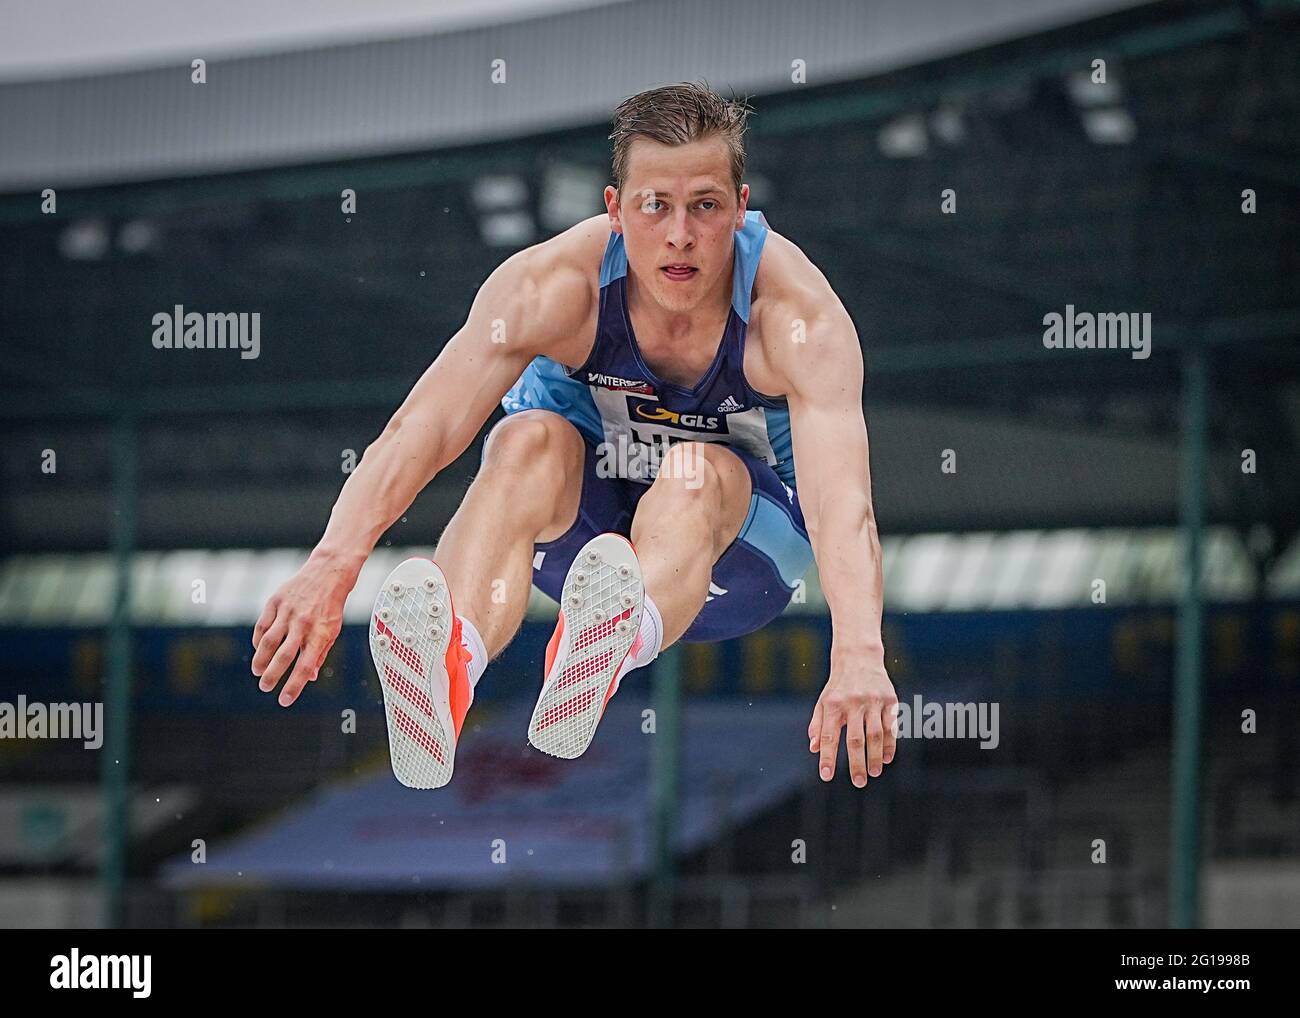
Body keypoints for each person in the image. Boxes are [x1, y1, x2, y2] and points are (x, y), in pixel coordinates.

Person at [251, 81, 897, 790]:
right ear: (616, 210)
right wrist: (332, 563)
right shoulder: (549, 289)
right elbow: (426, 426)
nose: (680, 234)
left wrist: (859, 652)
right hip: (582, 541)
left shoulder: (795, 318)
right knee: (524, 439)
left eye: (705, 206)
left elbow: (844, 504)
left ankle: (616, 635)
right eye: (656, 206)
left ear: (741, 210)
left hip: (737, 556)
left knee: (693, 470)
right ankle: (449, 665)